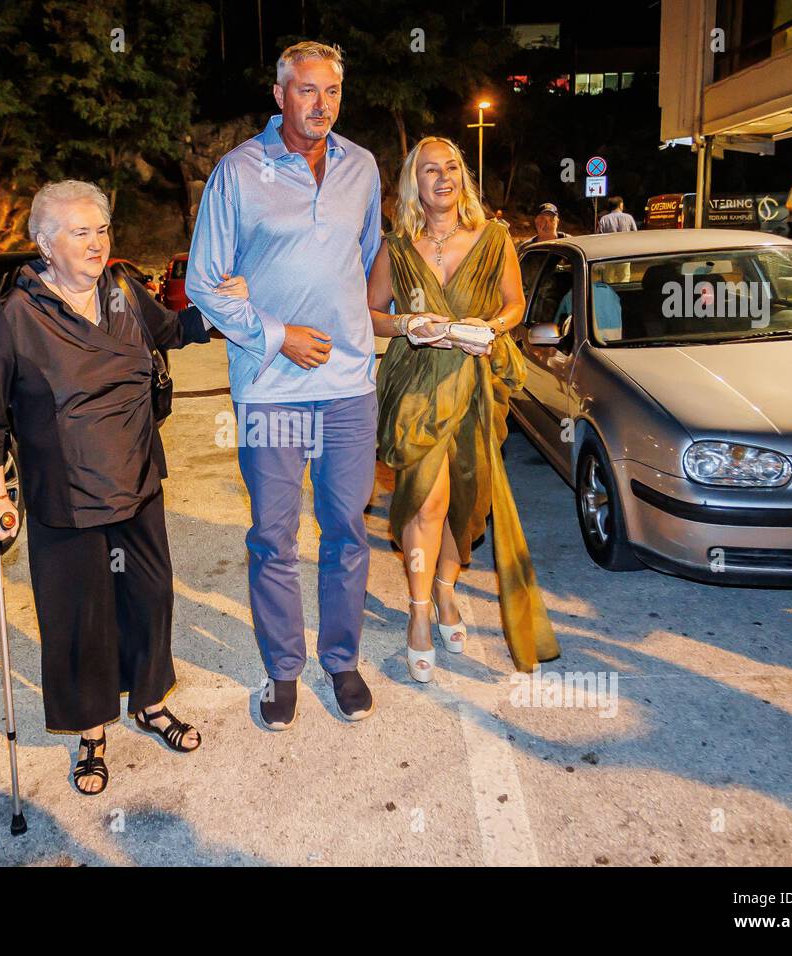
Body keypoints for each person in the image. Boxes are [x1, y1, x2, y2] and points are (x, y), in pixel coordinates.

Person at [0, 180, 249, 795]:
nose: (97, 243)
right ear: (46, 244)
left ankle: (150, 703)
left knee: (148, 600)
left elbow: (173, 331)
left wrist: (224, 310)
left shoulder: (122, 290)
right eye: (80, 232)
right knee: (79, 617)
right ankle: (92, 733)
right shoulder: (17, 315)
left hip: (138, 480)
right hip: (64, 495)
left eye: (101, 230)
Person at [186, 41, 383, 730]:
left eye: (331, 90)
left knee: (347, 530)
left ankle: (342, 659)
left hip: (351, 384)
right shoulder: (238, 172)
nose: (321, 102)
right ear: (280, 95)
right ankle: (282, 671)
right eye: (307, 89)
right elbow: (202, 283)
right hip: (271, 386)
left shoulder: (362, 167)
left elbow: (359, 261)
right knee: (274, 536)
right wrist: (278, 334)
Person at [366, 135, 560, 681]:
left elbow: (515, 305)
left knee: (466, 505)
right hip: (416, 385)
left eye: (451, 167)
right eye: (430, 170)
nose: (444, 177)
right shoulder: (397, 247)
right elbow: (371, 312)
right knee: (425, 501)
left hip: (476, 384)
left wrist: (489, 327)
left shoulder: (494, 238)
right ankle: (420, 611)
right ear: (414, 183)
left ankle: (447, 589)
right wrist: (406, 324)